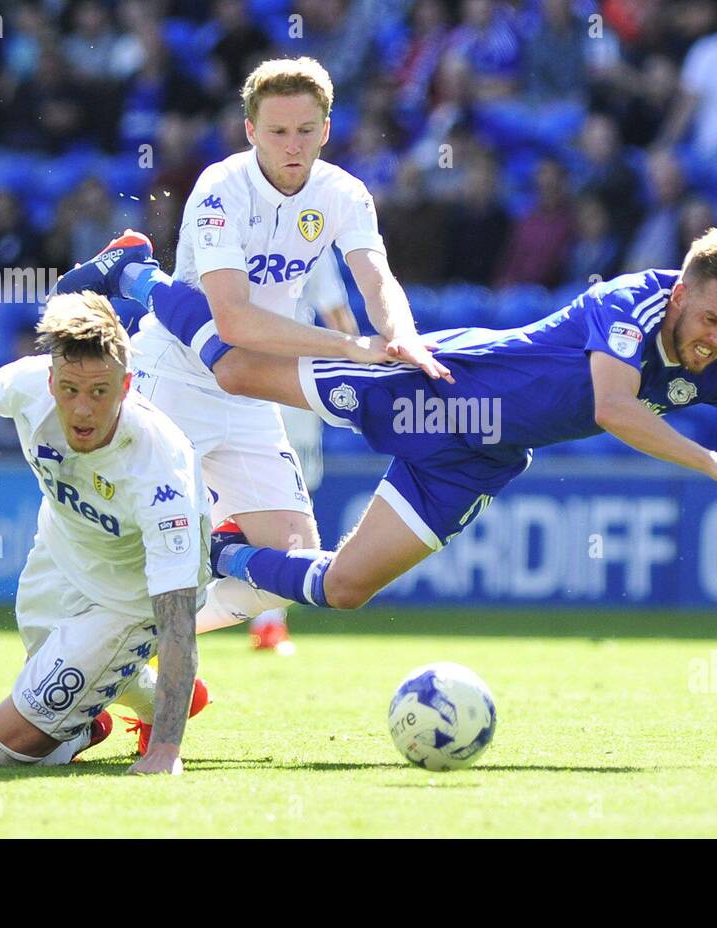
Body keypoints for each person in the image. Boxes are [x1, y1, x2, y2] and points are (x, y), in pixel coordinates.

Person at [73, 226, 717, 617]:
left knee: (343, 588)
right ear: (684, 293)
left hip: (481, 456)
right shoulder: (633, 300)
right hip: (438, 385)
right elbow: (616, 409)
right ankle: (138, 272)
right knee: (235, 367)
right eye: (713, 322)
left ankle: (217, 550)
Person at [59, 57, 446, 653]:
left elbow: (376, 279)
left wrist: (401, 333)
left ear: (326, 129)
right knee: (127, 550)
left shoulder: (344, 193)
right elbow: (233, 319)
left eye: (304, 131)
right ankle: (87, 655)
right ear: (250, 131)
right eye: (277, 132)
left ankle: (165, 628)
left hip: (251, 390)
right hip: (176, 374)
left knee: (290, 567)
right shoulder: (220, 189)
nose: (292, 146)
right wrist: (348, 347)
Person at [0, 294, 210, 775]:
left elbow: (177, 621)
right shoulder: (32, 383)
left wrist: (167, 752)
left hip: (134, 596)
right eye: (69, 389)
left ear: (127, 386)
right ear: (50, 380)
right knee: (42, 648)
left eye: (100, 392)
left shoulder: (159, 469)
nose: (82, 410)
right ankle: (124, 708)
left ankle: (160, 709)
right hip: (62, 548)